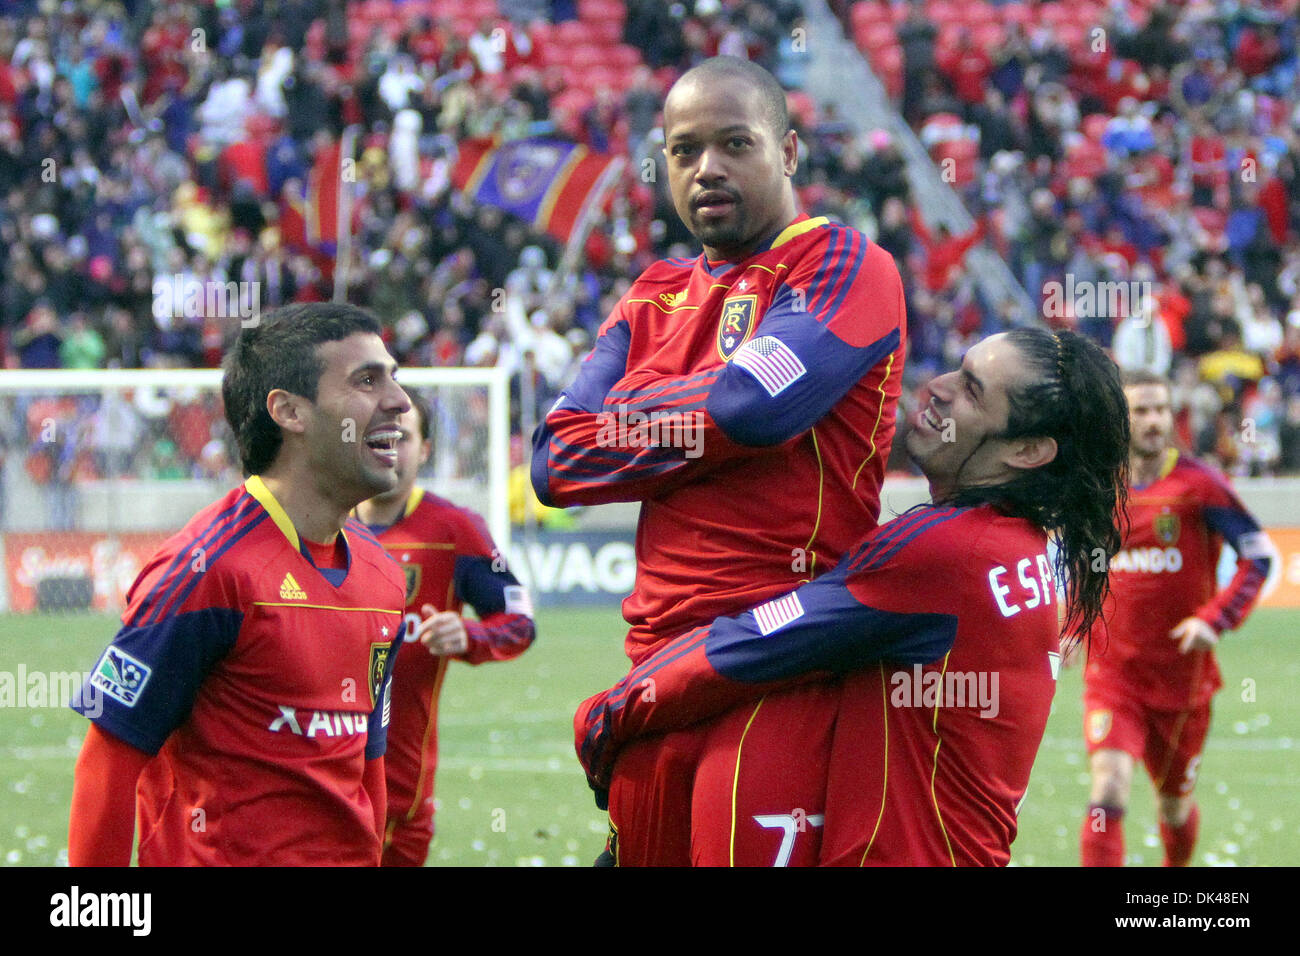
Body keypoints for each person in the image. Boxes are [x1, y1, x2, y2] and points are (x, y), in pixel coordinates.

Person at [531, 56, 907, 865]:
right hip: (654, 671)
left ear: (791, 153)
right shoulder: (652, 293)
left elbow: (755, 406)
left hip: (775, 662)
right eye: (683, 149)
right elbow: (555, 463)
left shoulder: (845, 266)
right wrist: (711, 410)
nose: (707, 168)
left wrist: (630, 414)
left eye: (736, 143)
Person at [574, 329, 1131, 865]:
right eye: (959, 368)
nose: (938, 385)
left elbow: (755, 642)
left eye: (972, 391)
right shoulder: (1016, 548)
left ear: (1028, 451)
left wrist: (616, 710)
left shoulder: (946, 552)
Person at [68, 303, 412, 866]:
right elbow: (110, 758)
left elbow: (368, 761)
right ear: (289, 411)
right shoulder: (205, 570)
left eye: (394, 377)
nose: (399, 400)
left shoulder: (383, 576)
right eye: (367, 380)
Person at [1079, 369, 1273, 867]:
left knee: (1173, 806)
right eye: (1141, 410)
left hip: (1181, 684)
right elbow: (1087, 563)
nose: (1153, 420)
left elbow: (1258, 556)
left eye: (1161, 410)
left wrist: (1216, 618)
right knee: (1108, 791)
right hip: (1114, 676)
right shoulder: (1099, 488)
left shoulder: (1198, 485)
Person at [354, 392, 536, 867]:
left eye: (402, 437)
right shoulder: (321, 527)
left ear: (426, 449)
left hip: (403, 797)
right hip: (316, 779)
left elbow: (520, 621)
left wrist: (470, 636)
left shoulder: (455, 529)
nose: (389, 448)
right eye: (378, 437)